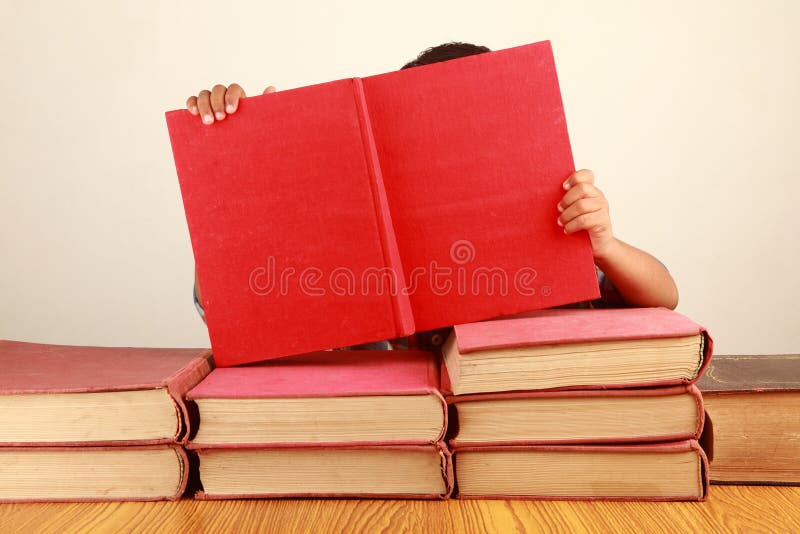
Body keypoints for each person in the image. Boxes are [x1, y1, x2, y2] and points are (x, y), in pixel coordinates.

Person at [186, 42, 678, 351]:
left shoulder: (551, 238)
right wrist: (245, 177)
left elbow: (664, 298)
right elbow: (226, 310)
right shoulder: (369, 284)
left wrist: (606, 245)